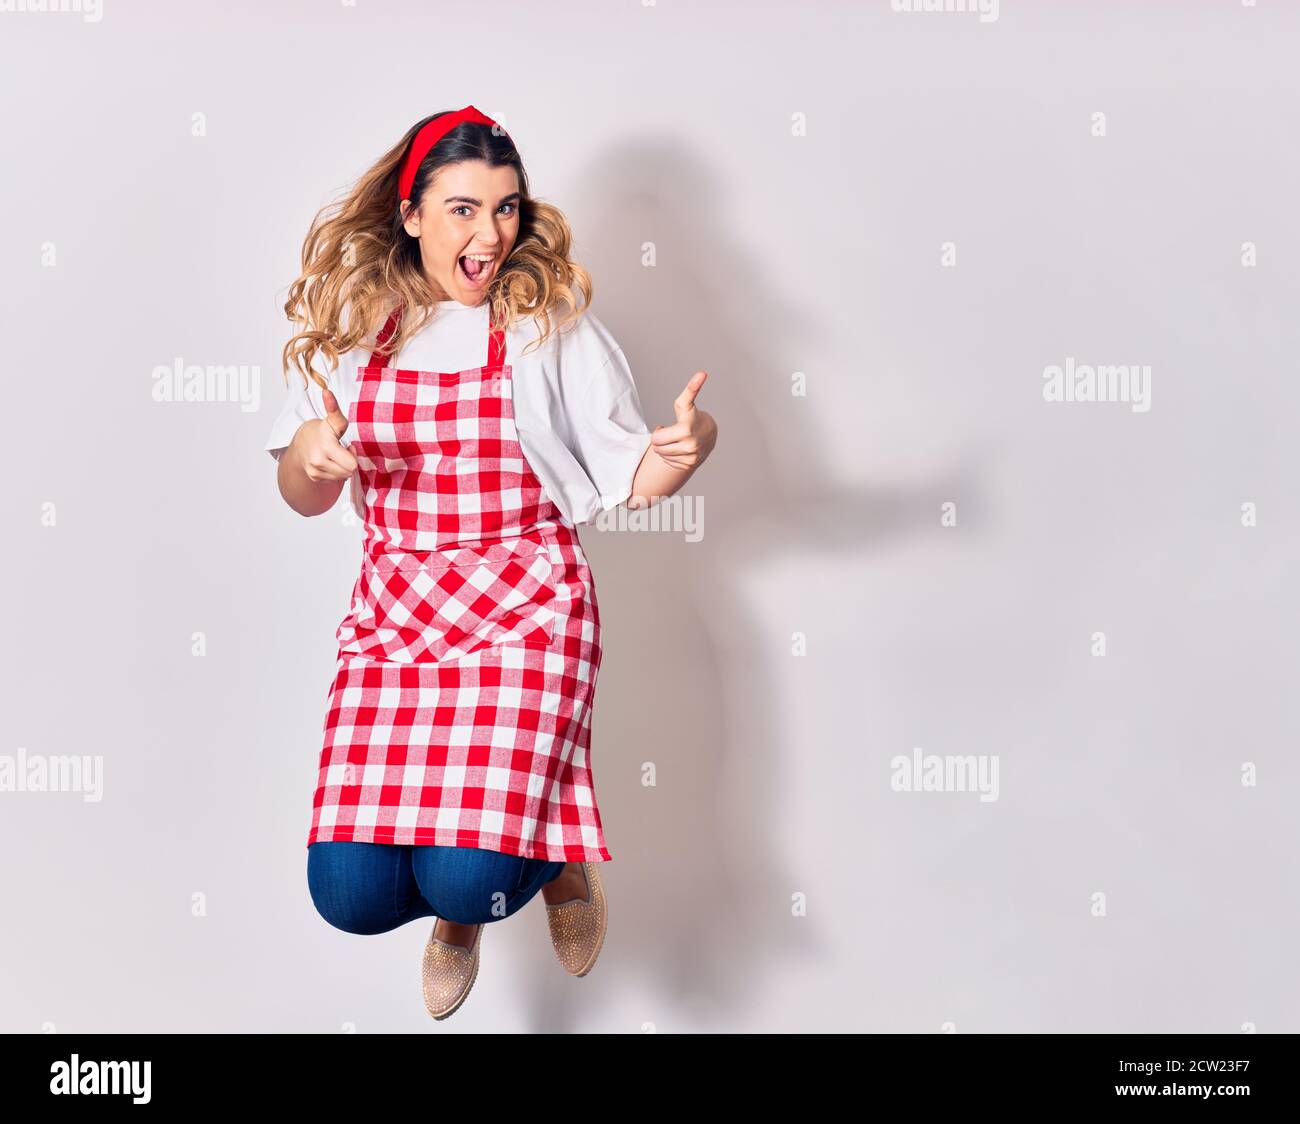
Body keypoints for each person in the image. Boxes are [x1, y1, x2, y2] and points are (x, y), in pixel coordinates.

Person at [264, 106, 718, 1019]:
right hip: (397, 619)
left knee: (472, 882)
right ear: (412, 214)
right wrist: (308, 457)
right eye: (465, 209)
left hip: (527, 612)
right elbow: (303, 494)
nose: (491, 234)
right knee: (348, 897)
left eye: (507, 209)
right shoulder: (356, 331)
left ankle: (518, 885)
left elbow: (634, 473)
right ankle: (510, 854)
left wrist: (683, 450)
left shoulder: (547, 327)